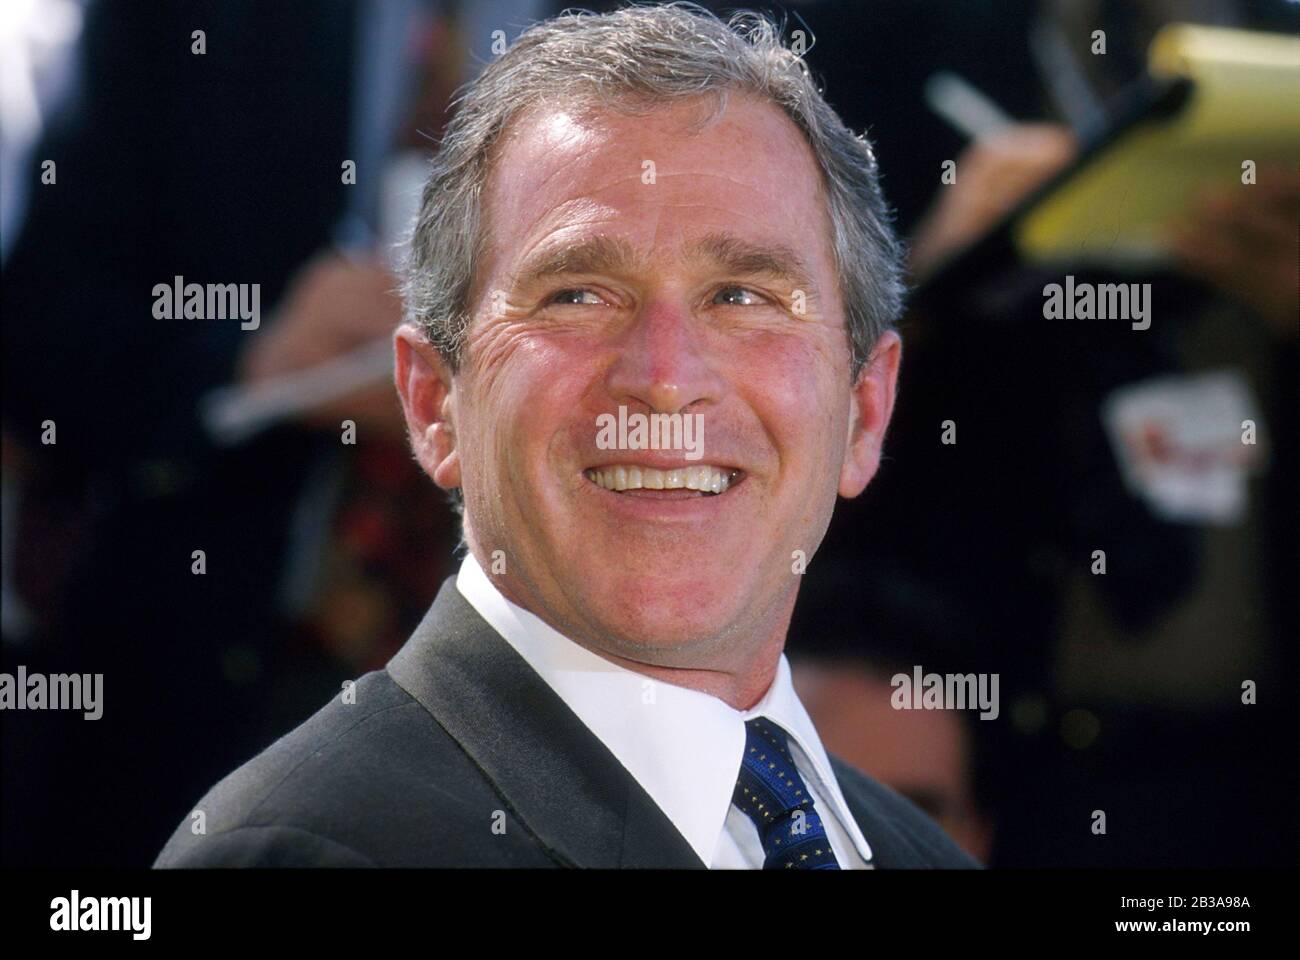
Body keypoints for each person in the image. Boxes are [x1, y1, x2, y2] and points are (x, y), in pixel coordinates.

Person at [155, 3, 979, 869]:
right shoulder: (304, 855)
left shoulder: (923, 857)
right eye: (577, 295)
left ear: (865, 411)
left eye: (742, 297)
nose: (665, 378)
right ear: (435, 403)